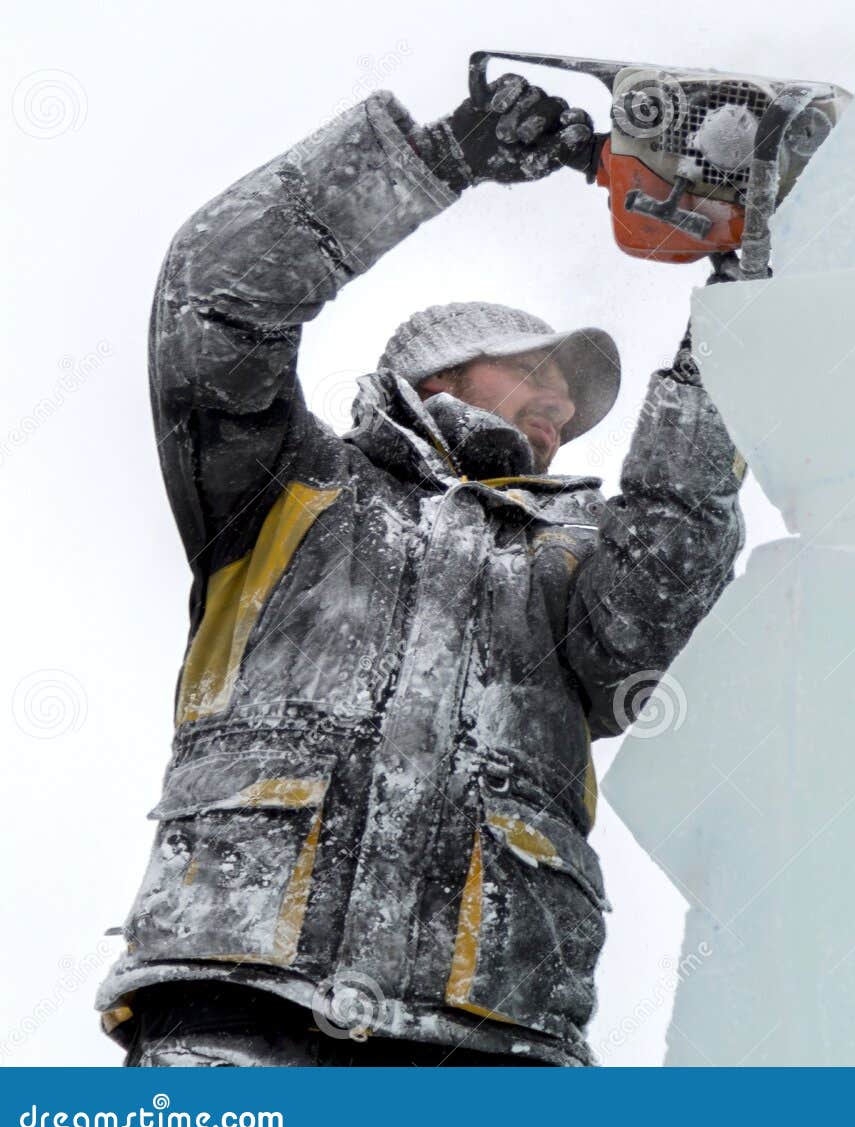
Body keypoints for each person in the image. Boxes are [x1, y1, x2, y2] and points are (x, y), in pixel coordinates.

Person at [95, 72, 746, 1066]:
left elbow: (653, 617)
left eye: (567, 411)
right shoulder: (285, 486)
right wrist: (439, 158)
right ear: (434, 372)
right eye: (533, 377)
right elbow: (217, 298)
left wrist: (734, 338)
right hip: (240, 1001)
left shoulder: (575, 557)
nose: (554, 415)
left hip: (490, 1039)